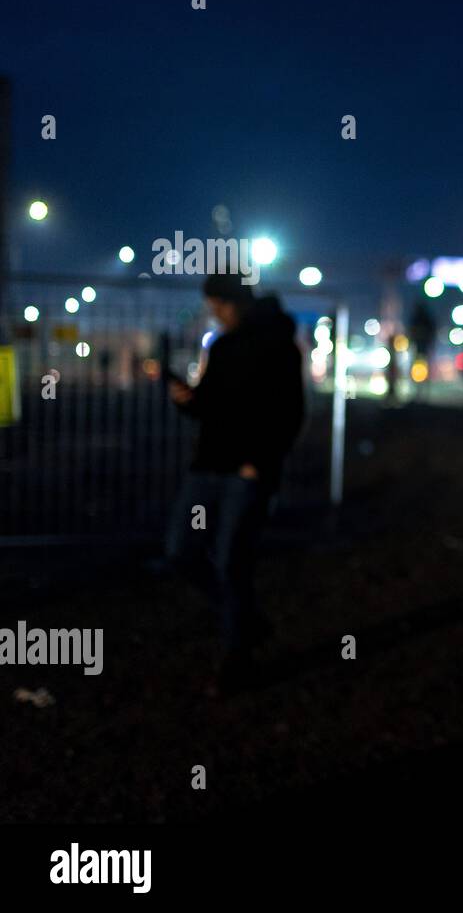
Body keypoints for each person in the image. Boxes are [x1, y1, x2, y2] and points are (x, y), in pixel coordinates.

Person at [165, 271, 305, 695]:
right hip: (207, 468)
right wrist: (189, 401)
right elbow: (211, 405)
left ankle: (236, 656)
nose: (216, 314)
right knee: (180, 552)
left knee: (231, 561)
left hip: (246, 474)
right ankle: (247, 622)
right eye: (212, 308)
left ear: (240, 302)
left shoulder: (278, 346)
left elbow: (289, 412)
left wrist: (259, 463)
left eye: (220, 306)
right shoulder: (222, 346)